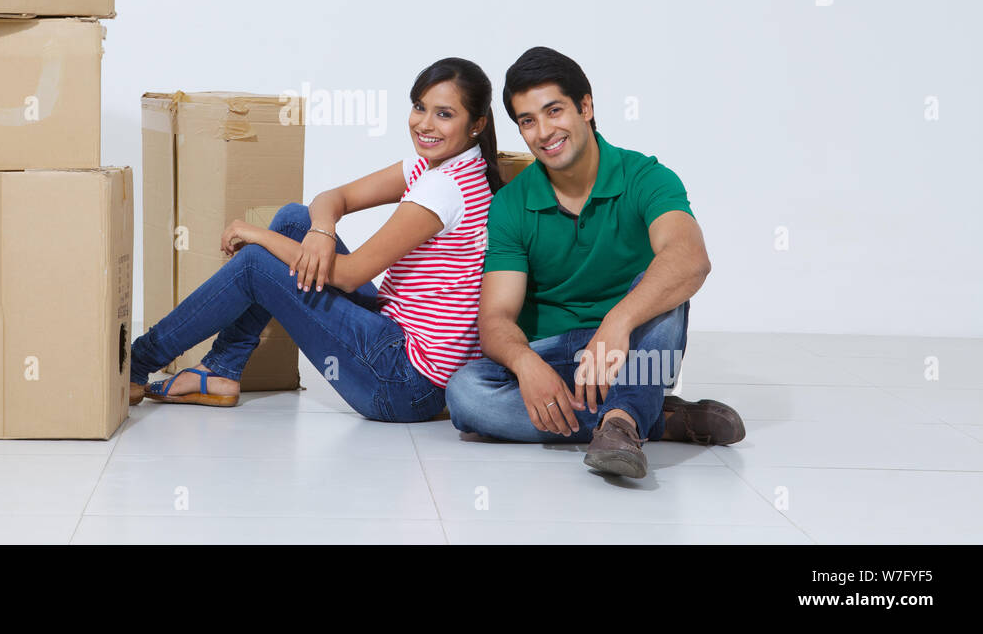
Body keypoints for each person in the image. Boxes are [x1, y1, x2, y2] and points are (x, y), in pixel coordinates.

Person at [128, 57, 502, 422]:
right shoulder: (439, 164)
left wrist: (255, 233)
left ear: (476, 125)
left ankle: (134, 366)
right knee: (296, 219)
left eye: (444, 114)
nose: (425, 124)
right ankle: (222, 369)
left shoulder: (443, 188)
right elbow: (331, 198)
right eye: (420, 107)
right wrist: (322, 230)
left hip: (403, 382)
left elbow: (350, 275)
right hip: (397, 337)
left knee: (257, 264)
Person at [445, 47, 745, 478]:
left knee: (663, 281)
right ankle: (648, 417)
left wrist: (618, 322)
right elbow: (494, 319)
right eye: (527, 121)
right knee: (466, 394)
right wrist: (528, 366)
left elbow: (690, 259)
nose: (544, 131)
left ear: (585, 106)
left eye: (554, 110)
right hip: (551, 356)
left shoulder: (645, 177)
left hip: (630, 351)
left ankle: (623, 421)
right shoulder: (512, 203)